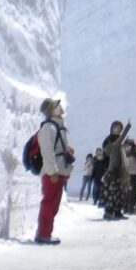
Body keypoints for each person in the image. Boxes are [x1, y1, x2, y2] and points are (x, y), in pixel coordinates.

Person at [35, 98, 75, 245]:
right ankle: (43, 234)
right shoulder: (49, 128)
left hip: (59, 171)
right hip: (53, 172)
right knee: (49, 202)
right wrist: (52, 171)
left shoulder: (58, 127)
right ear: (50, 110)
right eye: (57, 106)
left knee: (53, 204)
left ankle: (46, 233)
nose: (60, 107)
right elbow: (47, 152)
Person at [102, 120, 131, 220]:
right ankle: (109, 212)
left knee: (120, 192)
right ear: (112, 128)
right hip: (112, 170)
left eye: (120, 128)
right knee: (112, 192)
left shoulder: (120, 140)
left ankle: (118, 212)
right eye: (116, 127)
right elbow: (105, 154)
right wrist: (107, 169)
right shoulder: (109, 140)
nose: (118, 129)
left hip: (120, 170)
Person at [124, 139, 136, 214]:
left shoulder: (135, 151)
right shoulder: (125, 151)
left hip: (134, 173)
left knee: (132, 191)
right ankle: (127, 208)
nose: (127, 146)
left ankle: (129, 208)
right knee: (128, 192)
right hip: (128, 173)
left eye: (129, 145)